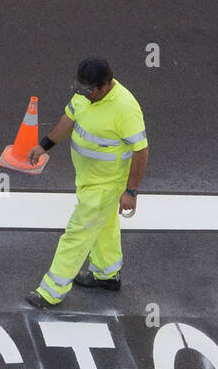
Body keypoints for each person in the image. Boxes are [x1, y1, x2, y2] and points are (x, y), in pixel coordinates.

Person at [25, 58, 149, 309]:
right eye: (80, 88)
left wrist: (131, 192)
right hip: (88, 179)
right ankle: (107, 275)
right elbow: (68, 120)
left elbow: (141, 151)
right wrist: (44, 145)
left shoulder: (125, 108)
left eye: (88, 90)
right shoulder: (86, 94)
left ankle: (51, 291)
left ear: (105, 86)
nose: (82, 94)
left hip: (106, 184)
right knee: (103, 226)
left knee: (77, 233)